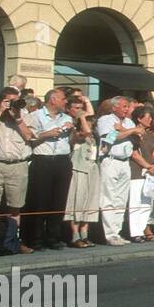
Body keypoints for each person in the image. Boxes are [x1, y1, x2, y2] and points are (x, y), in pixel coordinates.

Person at [24, 87, 75, 251]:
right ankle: (36, 238)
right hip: (43, 160)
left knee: (59, 200)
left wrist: (72, 130)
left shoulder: (66, 117)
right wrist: (47, 133)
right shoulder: (35, 116)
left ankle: (53, 237)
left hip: (62, 160)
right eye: (62, 99)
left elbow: (72, 142)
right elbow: (29, 138)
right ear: (52, 99)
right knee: (40, 200)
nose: (65, 101)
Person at [0, 87, 37, 255]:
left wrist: (18, 118)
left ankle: (12, 242)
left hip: (18, 165)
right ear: (2, 101)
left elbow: (30, 137)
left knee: (15, 206)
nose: (13, 104)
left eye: (16, 100)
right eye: (10, 101)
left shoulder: (25, 116)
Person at [95, 96, 140, 246]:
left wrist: (126, 130)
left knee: (121, 198)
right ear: (114, 107)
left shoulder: (128, 122)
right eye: (124, 106)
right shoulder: (106, 120)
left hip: (125, 161)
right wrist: (130, 131)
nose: (127, 109)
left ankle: (117, 231)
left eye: (128, 106)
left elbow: (138, 136)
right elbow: (110, 138)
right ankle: (109, 234)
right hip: (111, 160)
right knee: (109, 197)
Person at [63, 96, 99, 248]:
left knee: (90, 202)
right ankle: (75, 236)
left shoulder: (92, 137)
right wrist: (82, 118)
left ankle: (85, 235)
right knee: (76, 202)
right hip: (78, 171)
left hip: (91, 170)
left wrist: (87, 102)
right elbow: (85, 132)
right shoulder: (76, 134)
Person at [127, 106, 154, 241]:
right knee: (136, 202)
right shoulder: (134, 134)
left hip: (150, 173)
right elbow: (134, 154)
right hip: (137, 172)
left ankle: (141, 228)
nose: (150, 120)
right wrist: (147, 166)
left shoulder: (149, 134)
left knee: (147, 202)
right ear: (139, 119)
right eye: (147, 118)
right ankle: (135, 232)